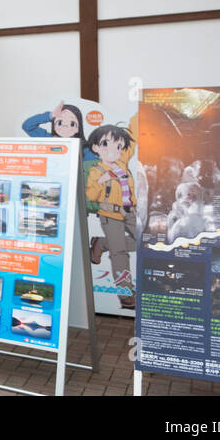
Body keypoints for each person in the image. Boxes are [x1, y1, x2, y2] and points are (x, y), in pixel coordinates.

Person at [85, 123, 138, 310]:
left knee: (147, 242)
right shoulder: (96, 171)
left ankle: (102, 243)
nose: (113, 150)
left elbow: (134, 130)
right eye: (106, 144)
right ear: (96, 148)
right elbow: (90, 196)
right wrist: (100, 181)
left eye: (118, 145)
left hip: (131, 212)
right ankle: (125, 294)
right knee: (120, 254)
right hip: (110, 214)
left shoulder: (122, 164)